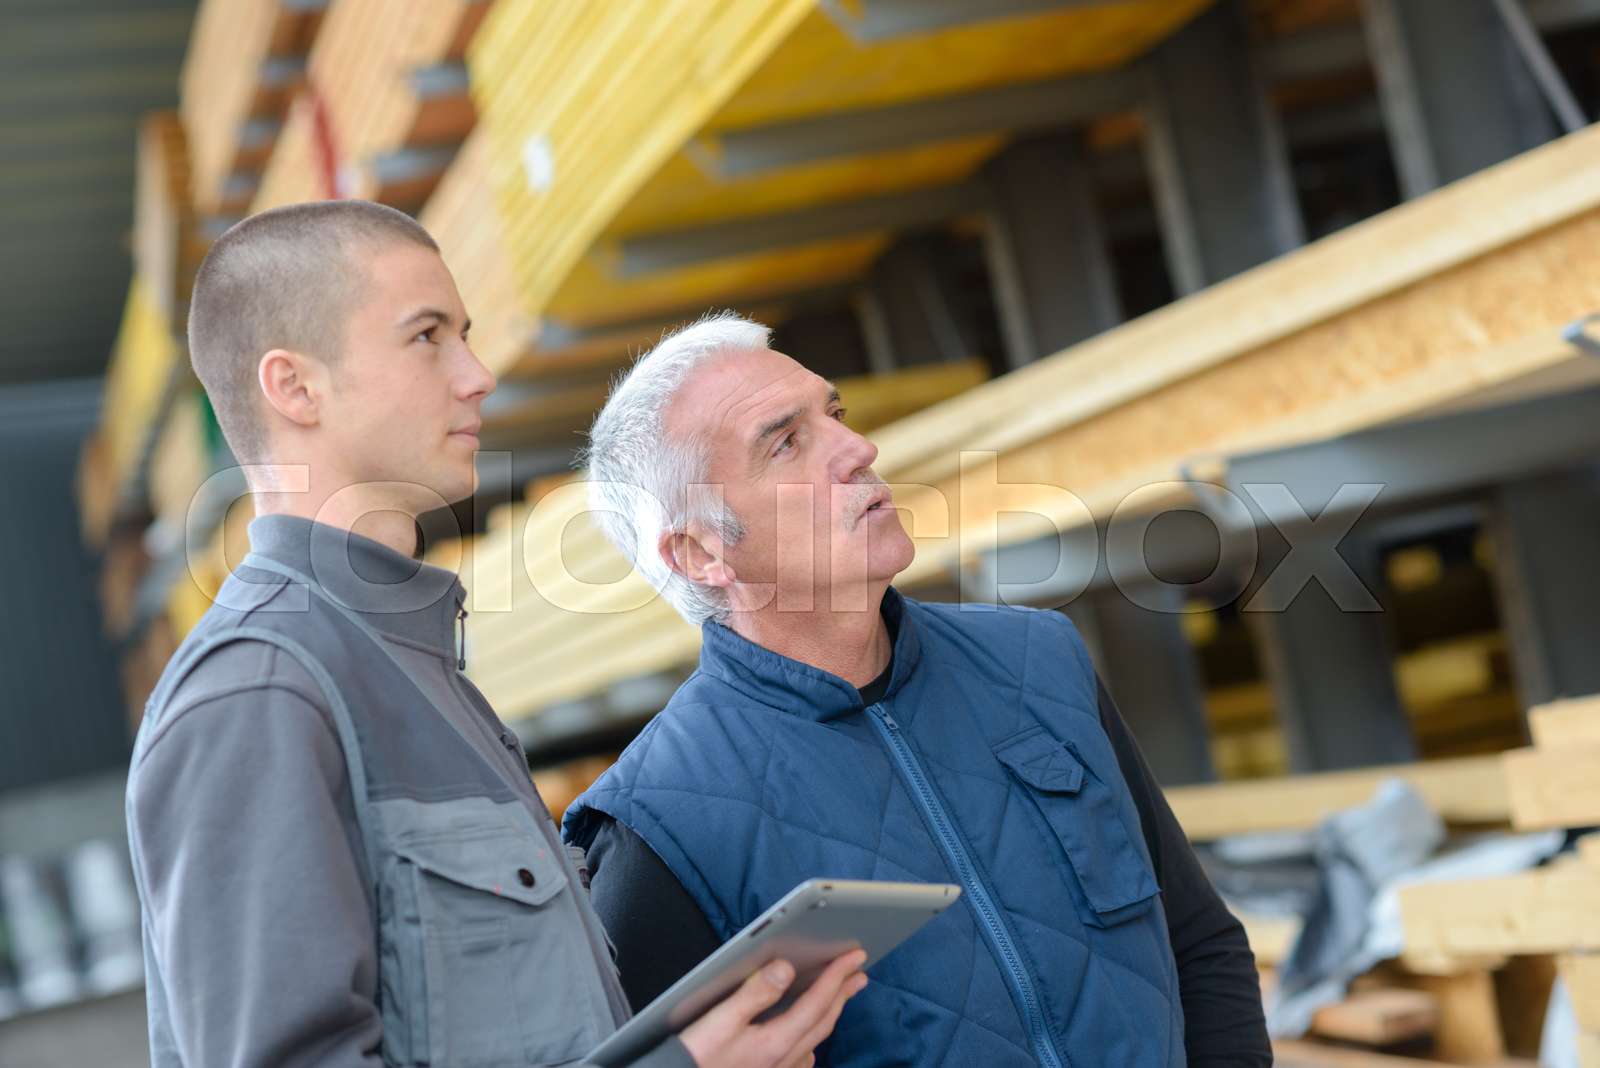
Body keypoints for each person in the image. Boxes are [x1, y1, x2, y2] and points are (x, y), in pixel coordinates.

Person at [125, 201, 865, 1068]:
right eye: (428, 337)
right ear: (294, 386)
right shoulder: (258, 692)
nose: (477, 374)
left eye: (466, 335)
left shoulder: (412, 665)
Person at [564, 313, 1274, 1067]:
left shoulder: (1040, 661)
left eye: (834, 415)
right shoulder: (660, 820)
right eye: (786, 442)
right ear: (702, 551)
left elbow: (1199, 943)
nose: (858, 450)